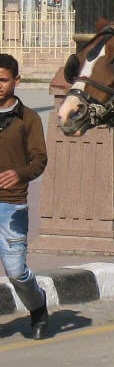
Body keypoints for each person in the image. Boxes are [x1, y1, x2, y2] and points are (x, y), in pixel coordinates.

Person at [0, 53, 49, 339]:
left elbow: (39, 159)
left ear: (16, 81)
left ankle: (38, 306)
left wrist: (19, 174)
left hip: (12, 205)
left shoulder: (28, 118)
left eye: (3, 80)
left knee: (16, 272)